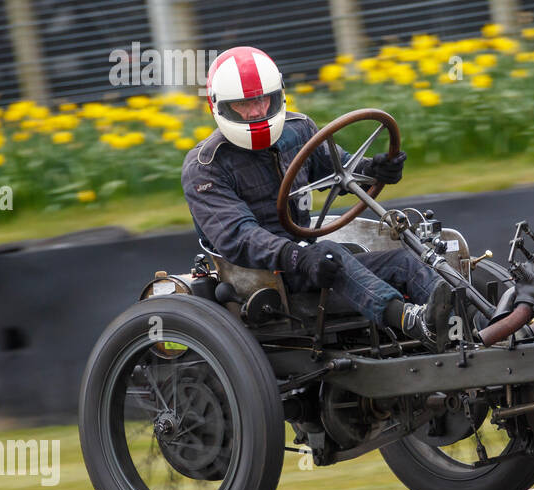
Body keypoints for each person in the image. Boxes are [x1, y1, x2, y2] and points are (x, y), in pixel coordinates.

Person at [181, 45, 451, 350]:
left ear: (278, 94)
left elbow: (341, 169)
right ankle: (411, 321)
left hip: (312, 258)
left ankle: (457, 326)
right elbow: (238, 236)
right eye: (244, 104)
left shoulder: (298, 131)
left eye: (262, 99)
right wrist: (297, 256)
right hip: (257, 278)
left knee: (404, 260)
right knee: (331, 253)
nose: (257, 111)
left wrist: (375, 170)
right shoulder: (205, 167)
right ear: (220, 107)